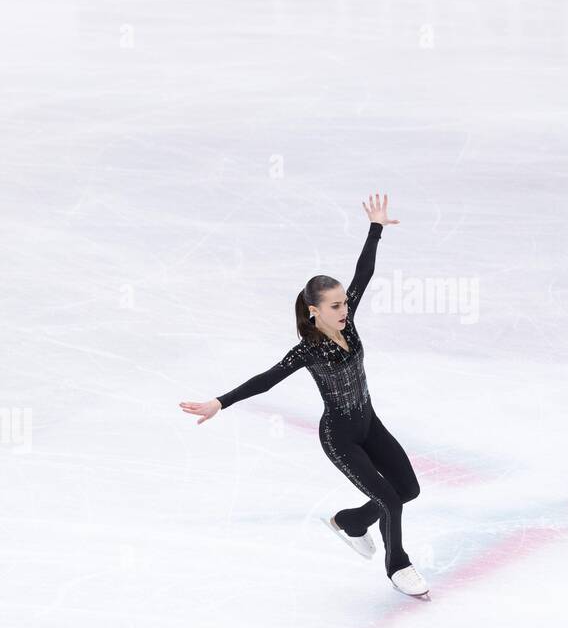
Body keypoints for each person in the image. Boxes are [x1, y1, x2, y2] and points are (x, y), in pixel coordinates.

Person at [180, 194, 429, 599]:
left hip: (369, 422)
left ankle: (351, 522)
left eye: (345, 301)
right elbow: (266, 379)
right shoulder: (309, 349)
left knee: (407, 489)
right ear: (315, 311)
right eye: (335, 305)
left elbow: (363, 272)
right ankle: (397, 564)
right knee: (390, 500)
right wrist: (219, 402)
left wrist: (376, 227)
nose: (344, 308)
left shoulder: (347, 323)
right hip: (340, 435)